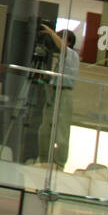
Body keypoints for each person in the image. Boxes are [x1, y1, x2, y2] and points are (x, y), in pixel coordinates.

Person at [37, 25, 79, 166]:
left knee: (61, 131)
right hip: (54, 92)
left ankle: (59, 163)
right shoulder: (62, 58)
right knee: (45, 129)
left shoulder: (72, 55)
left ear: (68, 42)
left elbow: (61, 45)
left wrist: (49, 31)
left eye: (61, 38)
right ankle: (44, 160)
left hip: (65, 94)